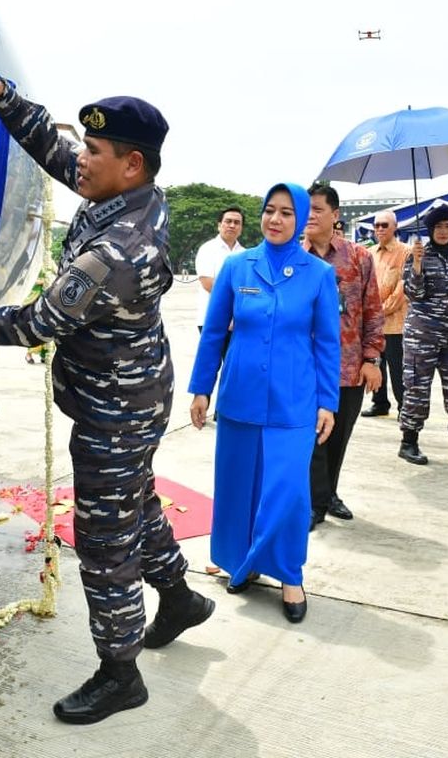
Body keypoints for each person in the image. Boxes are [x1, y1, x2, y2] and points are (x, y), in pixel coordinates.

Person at [0, 46, 214, 725]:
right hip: (129, 393)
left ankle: (121, 674)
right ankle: (181, 598)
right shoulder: (123, 193)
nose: (80, 160)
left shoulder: (121, 250)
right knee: (135, 500)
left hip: (115, 412)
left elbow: (38, 322)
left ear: (131, 164)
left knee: (102, 540)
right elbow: (53, 151)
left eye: (93, 150)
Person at [189, 183, 340, 623]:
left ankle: (290, 575)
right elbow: (214, 332)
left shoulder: (318, 274)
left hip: (295, 403)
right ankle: (242, 562)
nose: (275, 220)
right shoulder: (237, 267)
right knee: (238, 488)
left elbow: (327, 344)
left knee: (287, 493)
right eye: (270, 210)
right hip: (241, 397)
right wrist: (202, 388)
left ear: (301, 220)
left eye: (287, 213)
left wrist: (327, 402)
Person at [304, 183, 385, 528]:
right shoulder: (294, 256)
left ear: (335, 215)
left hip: (348, 366)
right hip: (305, 366)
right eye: (305, 209)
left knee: (337, 438)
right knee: (311, 438)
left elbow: (373, 309)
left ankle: (329, 493)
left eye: (317, 209)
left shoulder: (358, 257)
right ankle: (314, 502)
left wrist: (372, 359)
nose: (309, 216)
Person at [398, 203, 448, 466]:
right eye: (438, 227)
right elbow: (413, 294)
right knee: (416, 390)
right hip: (422, 337)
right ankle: (409, 442)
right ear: (430, 230)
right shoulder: (416, 256)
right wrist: (418, 265)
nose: (443, 231)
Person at [362, 209, 410, 418]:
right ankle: (379, 402)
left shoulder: (406, 253)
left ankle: (404, 407)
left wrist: (377, 312)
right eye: (377, 225)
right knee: (375, 364)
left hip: (395, 324)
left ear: (395, 227)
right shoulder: (369, 253)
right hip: (373, 326)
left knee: (397, 368)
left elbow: (402, 291)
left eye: (385, 225)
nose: (380, 229)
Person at [194, 207, 246, 333]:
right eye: (228, 221)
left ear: (241, 228)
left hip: (239, 321)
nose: (232, 225)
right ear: (219, 225)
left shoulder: (245, 254)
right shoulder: (208, 249)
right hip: (212, 319)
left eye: (237, 222)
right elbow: (208, 283)